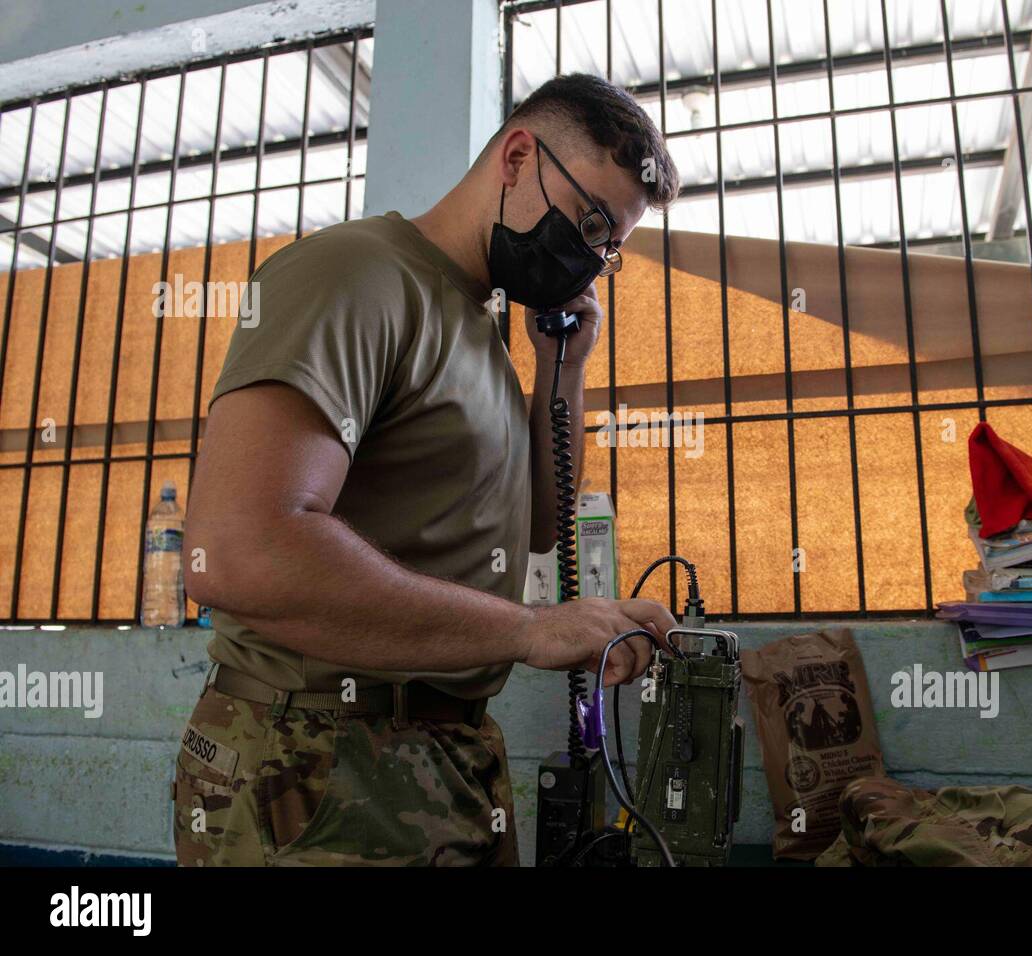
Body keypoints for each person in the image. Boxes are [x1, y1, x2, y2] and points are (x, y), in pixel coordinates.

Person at [173, 74, 681, 866]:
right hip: (315, 761)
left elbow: (543, 524)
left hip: (446, 752)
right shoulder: (355, 275)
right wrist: (525, 629)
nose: (590, 260)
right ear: (518, 156)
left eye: (608, 247)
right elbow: (237, 550)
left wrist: (562, 370)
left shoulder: (481, 328)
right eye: (587, 223)